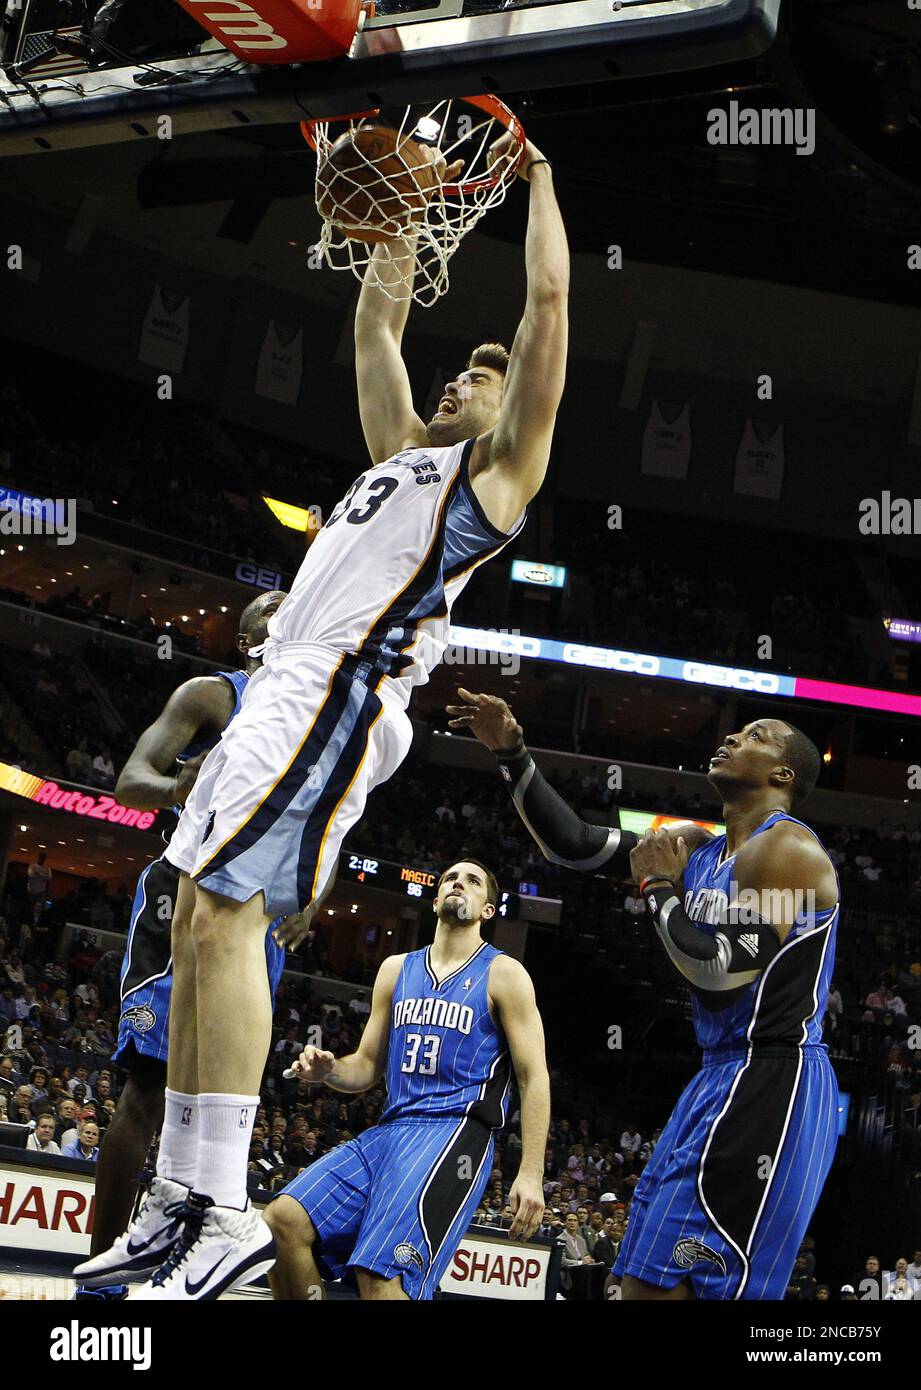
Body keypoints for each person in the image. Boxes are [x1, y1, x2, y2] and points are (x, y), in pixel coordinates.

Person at [96, 128, 568, 1302]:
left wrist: (540, 178)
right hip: (294, 676)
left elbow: (552, 295)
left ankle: (212, 1206)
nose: (464, 376)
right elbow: (372, 330)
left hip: (342, 685)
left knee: (233, 907)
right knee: (206, 914)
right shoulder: (399, 455)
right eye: (459, 369)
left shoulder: (491, 482)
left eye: (484, 374)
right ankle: (185, 1198)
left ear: (510, 413)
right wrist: (402, 216)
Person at [448, 692, 840, 1301]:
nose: (733, 737)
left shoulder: (786, 851)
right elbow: (574, 844)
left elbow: (717, 971)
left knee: (702, 1288)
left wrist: (657, 885)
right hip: (716, 1074)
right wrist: (512, 753)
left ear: (782, 774)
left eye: (755, 735)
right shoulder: (699, 846)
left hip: (774, 1079)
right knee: (640, 1284)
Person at [72, 594, 309, 1299]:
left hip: (257, 910)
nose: (288, 612)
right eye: (272, 609)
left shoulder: (311, 713)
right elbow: (129, 782)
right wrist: (182, 782)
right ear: (245, 640)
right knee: (147, 1088)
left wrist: (312, 893)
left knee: (219, 1093)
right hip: (184, 890)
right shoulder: (211, 694)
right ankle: (103, 1273)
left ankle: (189, 1258)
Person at [262, 860, 549, 1301]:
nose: (460, 884)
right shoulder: (396, 969)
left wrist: (530, 1173)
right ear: (434, 901)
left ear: (488, 910)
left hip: (455, 1135)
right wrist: (329, 1071)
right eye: (451, 878)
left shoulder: (504, 974)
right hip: (391, 1129)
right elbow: (366, 1065)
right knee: (282, 1222)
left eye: (473, 882)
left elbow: (534, 1077)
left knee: (381, 1277)